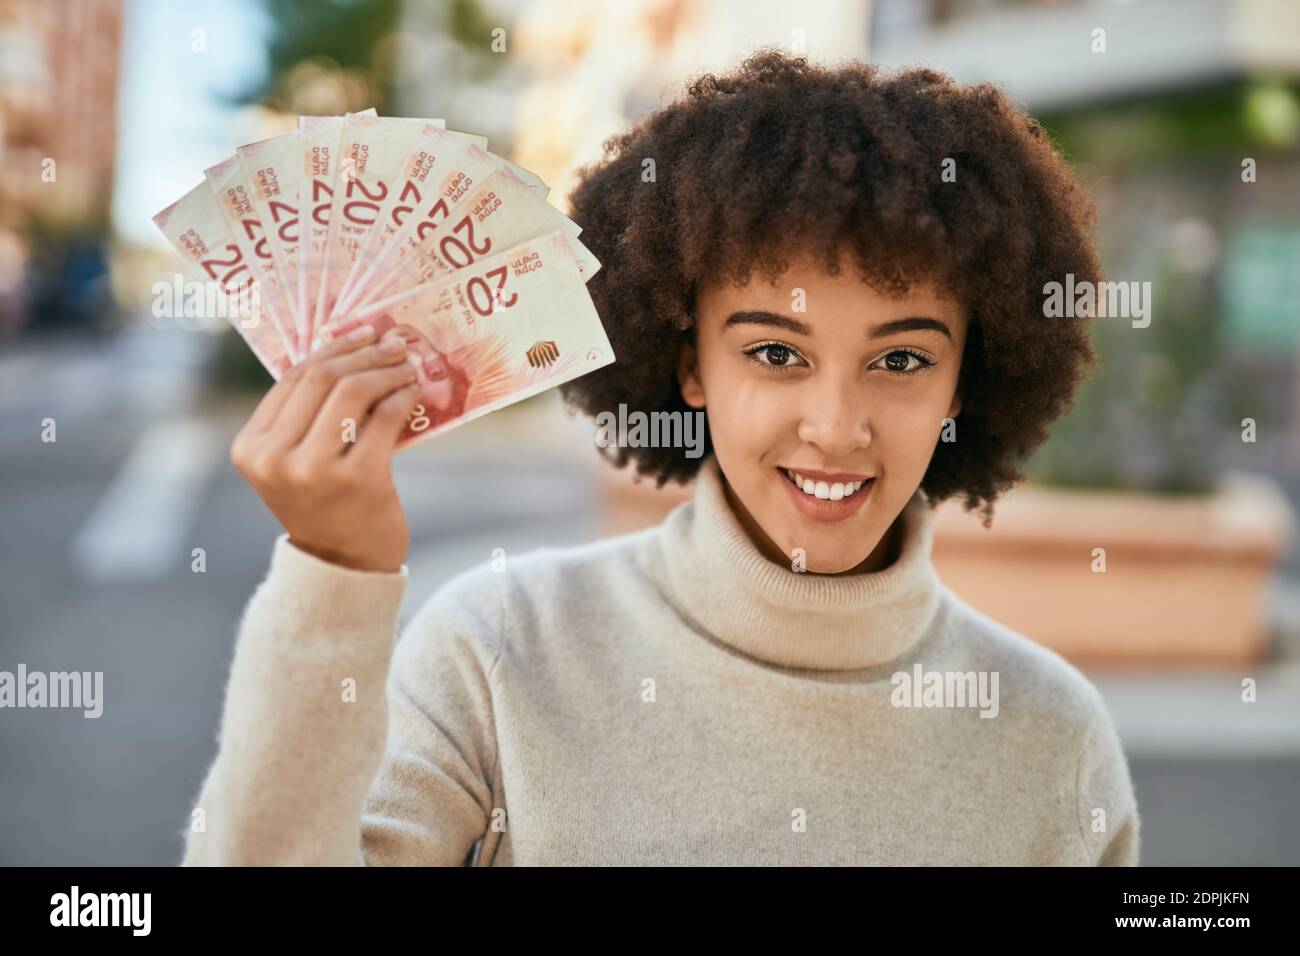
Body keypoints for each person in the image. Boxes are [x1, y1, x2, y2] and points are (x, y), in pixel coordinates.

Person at [183, 50, 1139, 866]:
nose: (838, 426)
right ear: (690, 367)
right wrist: (335, 578)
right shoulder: (499, 648)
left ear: (963, 387)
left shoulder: (1052, 735)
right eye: (775, 353)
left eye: (901, 360)